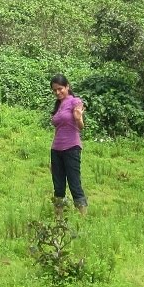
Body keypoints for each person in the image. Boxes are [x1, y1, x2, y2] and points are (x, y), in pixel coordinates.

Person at [49, 74, 87, 214]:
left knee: (74, 184)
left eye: (60, 89)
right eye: (54, 90)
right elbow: (58, 130)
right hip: (56, 149)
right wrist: (53, 159)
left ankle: (83, 218)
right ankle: (58, 220)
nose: (58, 92)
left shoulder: (75, 101)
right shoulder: (58, 105)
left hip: (71, 148)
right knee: (58, 186)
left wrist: (78, 119)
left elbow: (81, 126)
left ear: (67, 87)